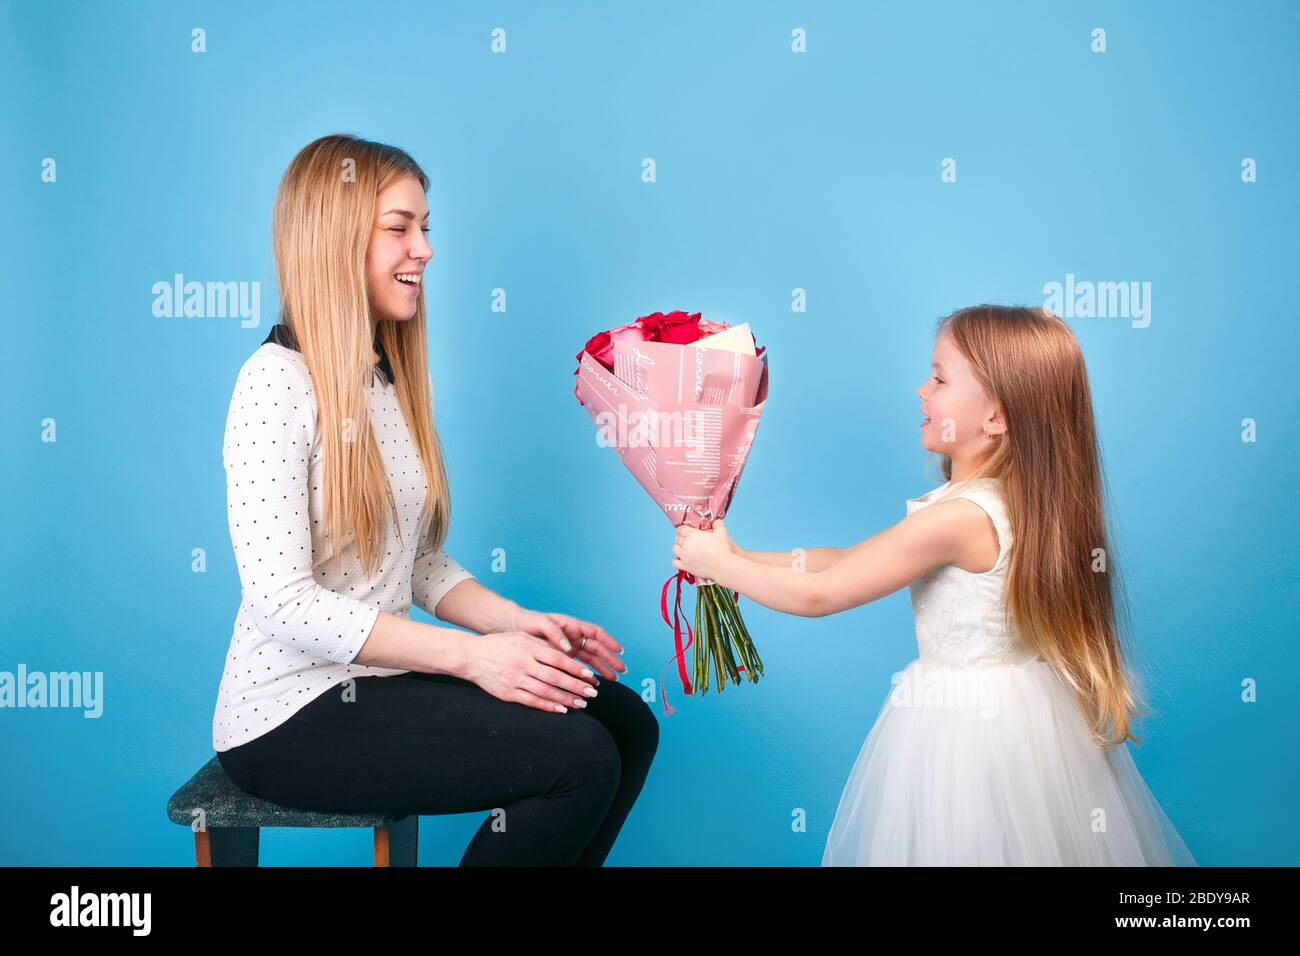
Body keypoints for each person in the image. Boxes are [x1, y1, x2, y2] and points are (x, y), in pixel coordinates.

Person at [212, 133, 658, 866]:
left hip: (370, 682)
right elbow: (282, 601)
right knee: (579, 758)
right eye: (400, 228)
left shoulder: (381, 380)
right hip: (285, 716)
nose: (424, 249)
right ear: (333, 237)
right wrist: (472, 658)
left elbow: (414, 565)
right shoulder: (274, 384)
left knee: (625, 723)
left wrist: (522, 626)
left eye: (426, 228)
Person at [672, 305, 1197, 866]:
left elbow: (820, 595)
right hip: (1023, 720)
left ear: (995, 417)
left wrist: (723, 568)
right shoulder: (1002, 505)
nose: (922, 390)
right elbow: (846, 560)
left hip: (966, 731)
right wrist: (741, 557)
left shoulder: (960, 519)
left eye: (941, 379)